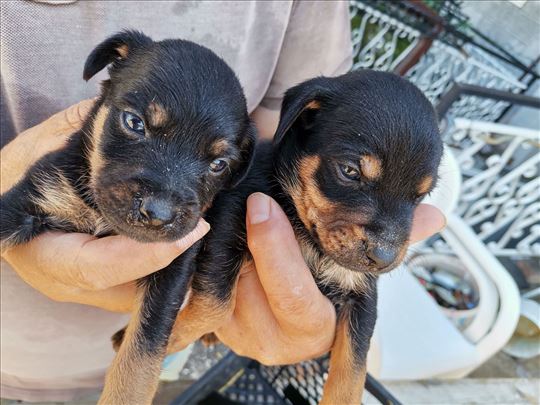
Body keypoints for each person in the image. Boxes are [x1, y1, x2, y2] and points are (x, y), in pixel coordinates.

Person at [0, 1, 446, 402]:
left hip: (149, 354)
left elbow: (267, 140)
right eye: (135, 124)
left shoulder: (245, 172)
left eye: (217, 165)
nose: (157, 206)